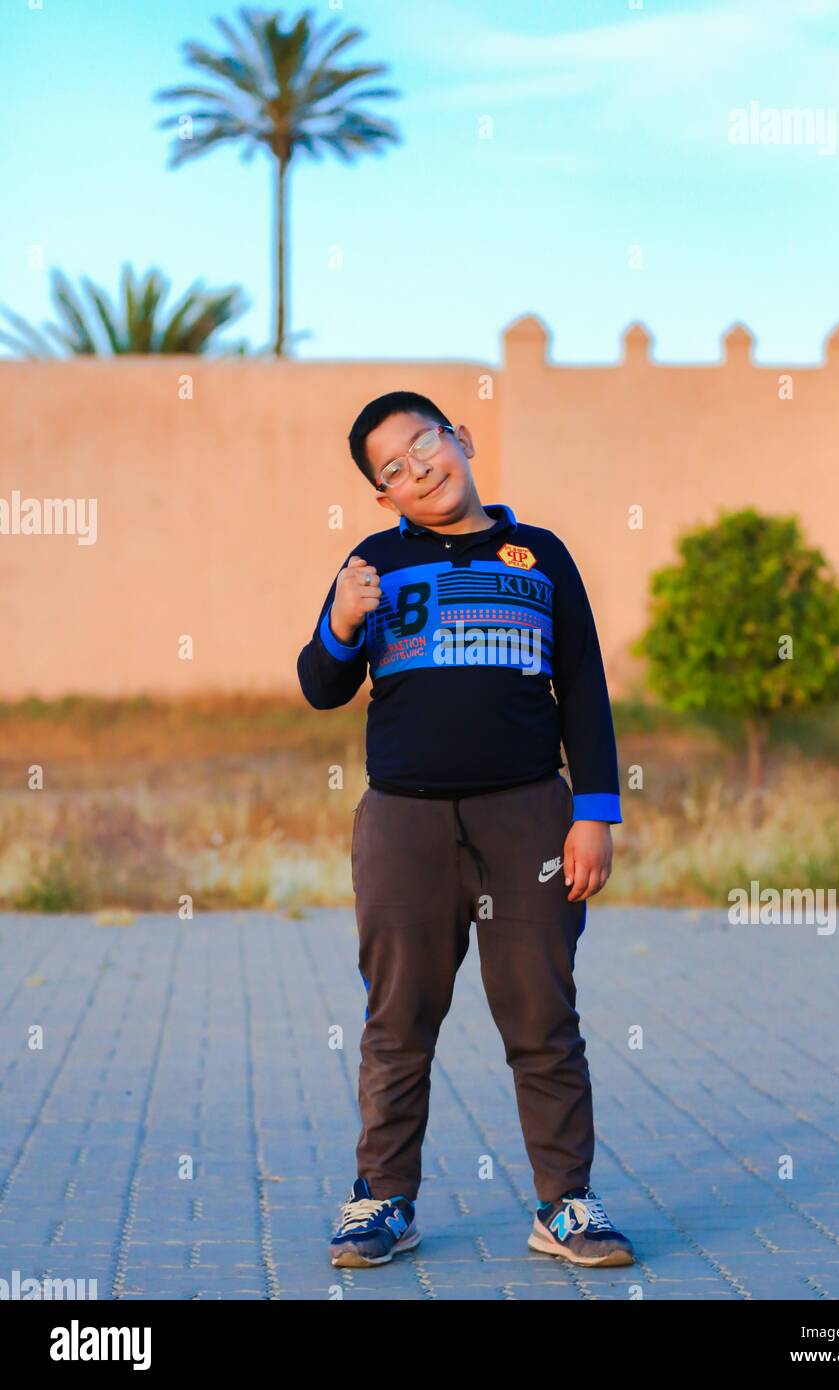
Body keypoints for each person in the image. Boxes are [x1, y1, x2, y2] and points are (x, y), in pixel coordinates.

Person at [296, 390, 634, 1269]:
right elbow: (321, 686)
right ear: (383, 495)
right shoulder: (372, 563)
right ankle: (382, 1200)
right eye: (393, 469)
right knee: (397, 1019)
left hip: (527, 816)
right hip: (402, 823)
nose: (418, 471)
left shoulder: (540, 555)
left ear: (462, 439)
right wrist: (341, 621)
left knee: (542, 1015)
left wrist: (594, 813)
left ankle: (565, 1204)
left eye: (424, 445)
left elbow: (584, 688)